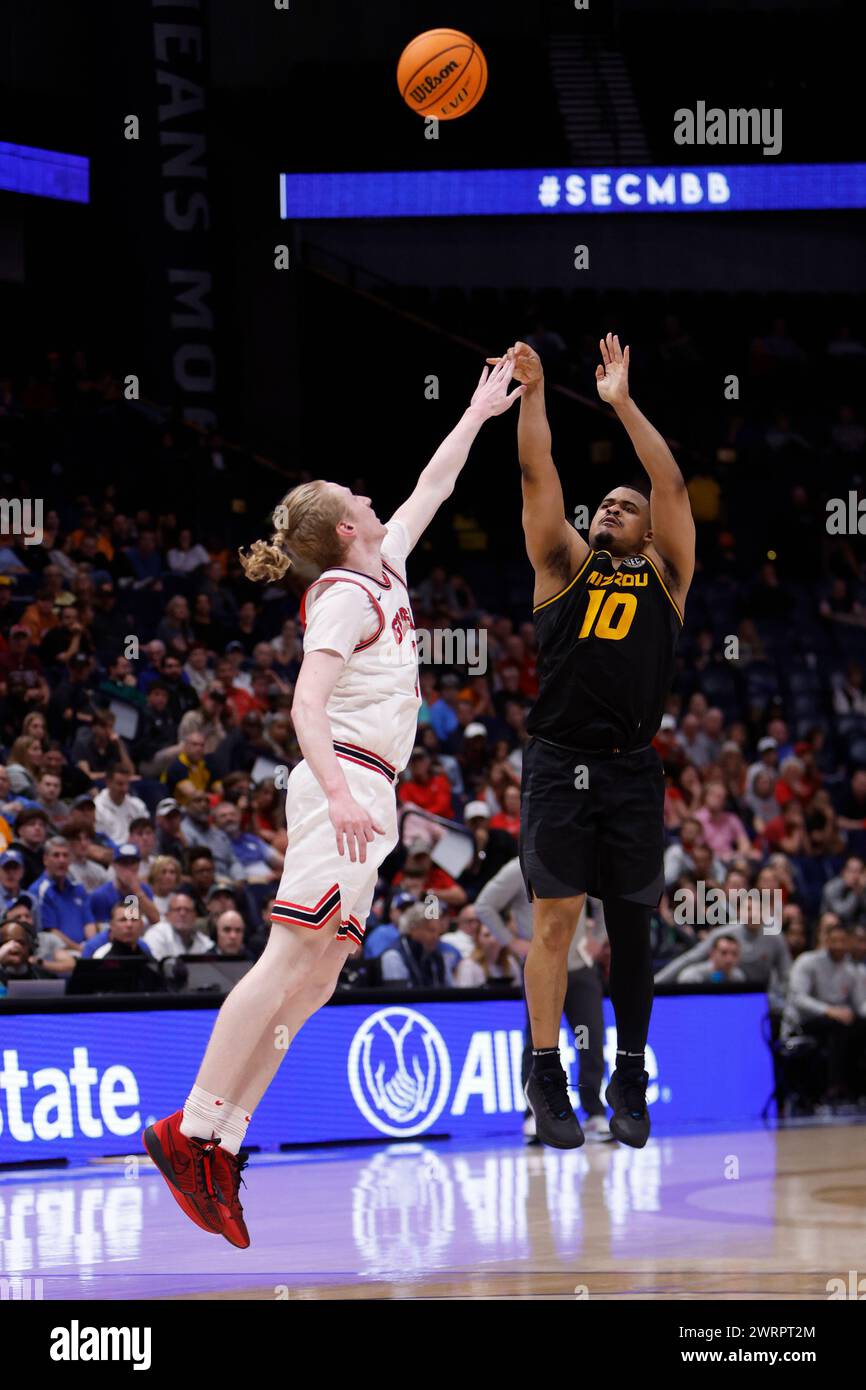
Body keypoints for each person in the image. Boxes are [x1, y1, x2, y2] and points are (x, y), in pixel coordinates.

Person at [142, 357, 524, 1247]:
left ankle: (225, 1140)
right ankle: (188, 1128)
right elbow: (303, 706)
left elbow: (435, 482)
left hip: (371, 790)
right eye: (361, 494)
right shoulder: (344, 594)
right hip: (341, 777)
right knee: (285, 959)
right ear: (348, 522)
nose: (377, 497)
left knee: (317, 978)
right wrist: (346, 796)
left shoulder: (382, 566)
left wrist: (474, 412)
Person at [491, 333, 695, 1149]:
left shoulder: (669, 575)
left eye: (625, 503)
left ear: (649, 531)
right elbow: (538, 472)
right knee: (556, 922)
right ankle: (546, 1076)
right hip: (558, 761)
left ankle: (631, 1076)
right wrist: (535, 393)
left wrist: (619, 403)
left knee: (637, 928)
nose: (610, 506)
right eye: (603, 501)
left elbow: (671, 481)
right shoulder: (562, 564)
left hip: (633, 769)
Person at [677, 934, 747, 984]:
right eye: (723, 953)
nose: (729, 959)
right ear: (712, 954)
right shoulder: (691, 976)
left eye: (734, 954)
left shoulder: (738, 977)